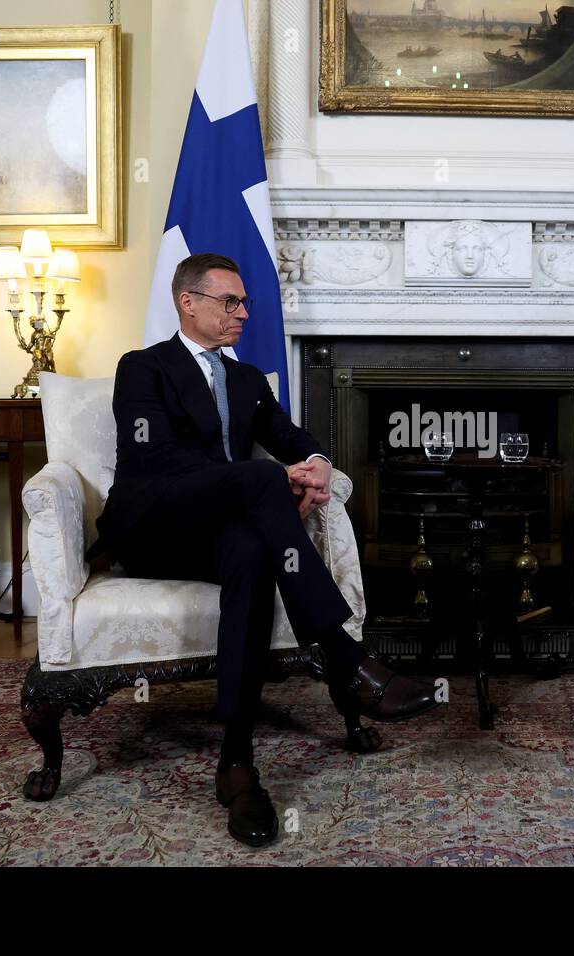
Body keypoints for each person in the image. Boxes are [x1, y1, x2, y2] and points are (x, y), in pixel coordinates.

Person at [89, 253, 443, 847]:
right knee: (258, 480)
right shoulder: (143, 368)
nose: (244, 313)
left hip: (219, 533)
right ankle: (344, 654)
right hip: (151, 529)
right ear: (189, 302)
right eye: (231, 302)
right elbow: (155, 461)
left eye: (245, 302)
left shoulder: (248, 381)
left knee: (253, 549)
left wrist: (317, 466)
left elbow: (292, 438)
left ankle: (236, 763)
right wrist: (264, 484)